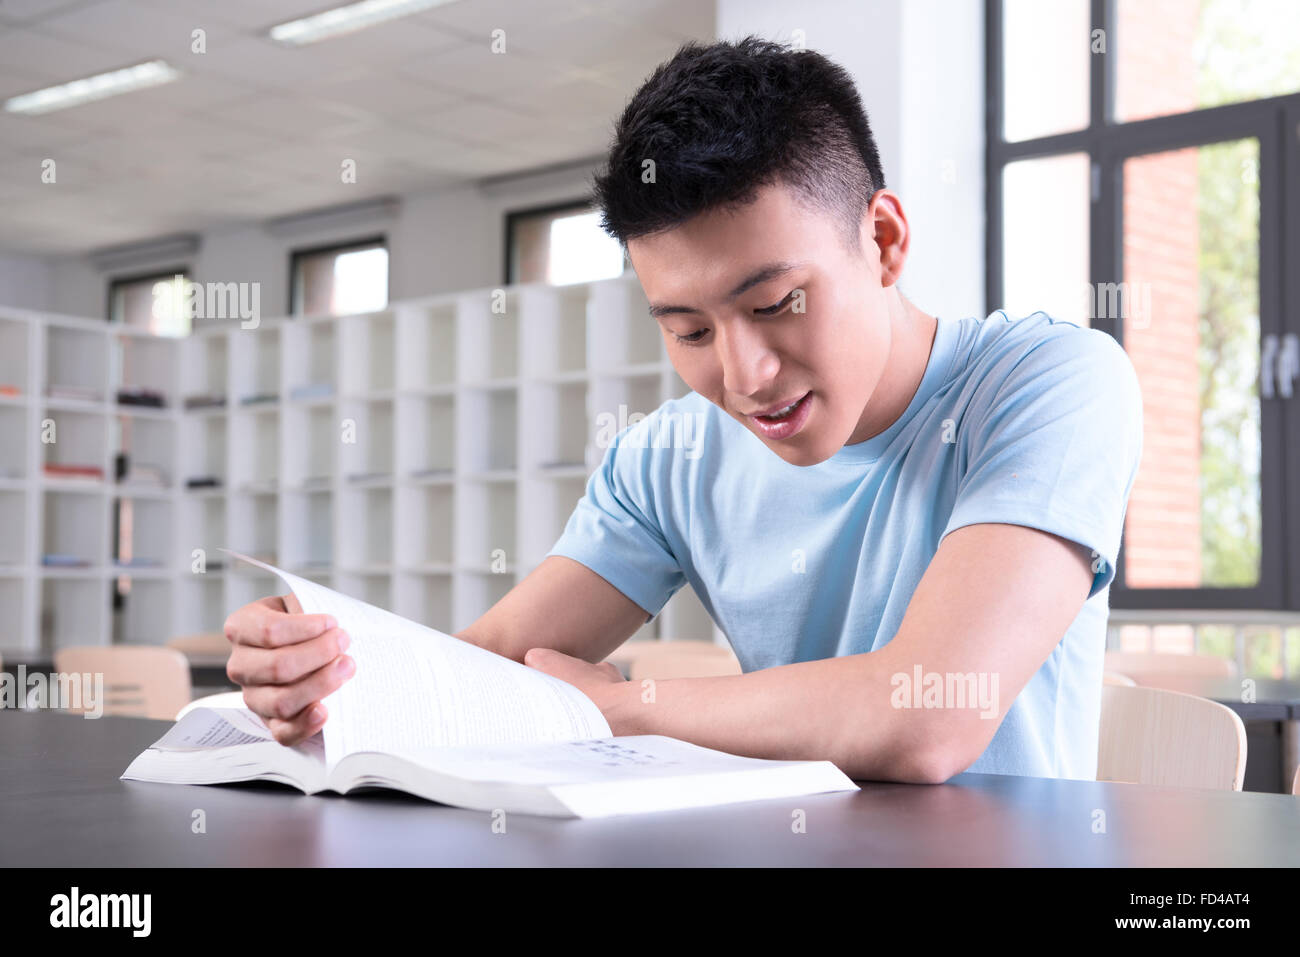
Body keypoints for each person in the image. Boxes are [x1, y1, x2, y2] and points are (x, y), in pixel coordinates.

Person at [223, 36, 1143, 783]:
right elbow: (496, 659)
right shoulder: (667, 459)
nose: (744, 375)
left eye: (776, 302)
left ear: (885, 239)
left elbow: (928, 715)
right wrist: (327, 671)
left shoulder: (1053, 383)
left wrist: (621, 708)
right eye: (689, 329)